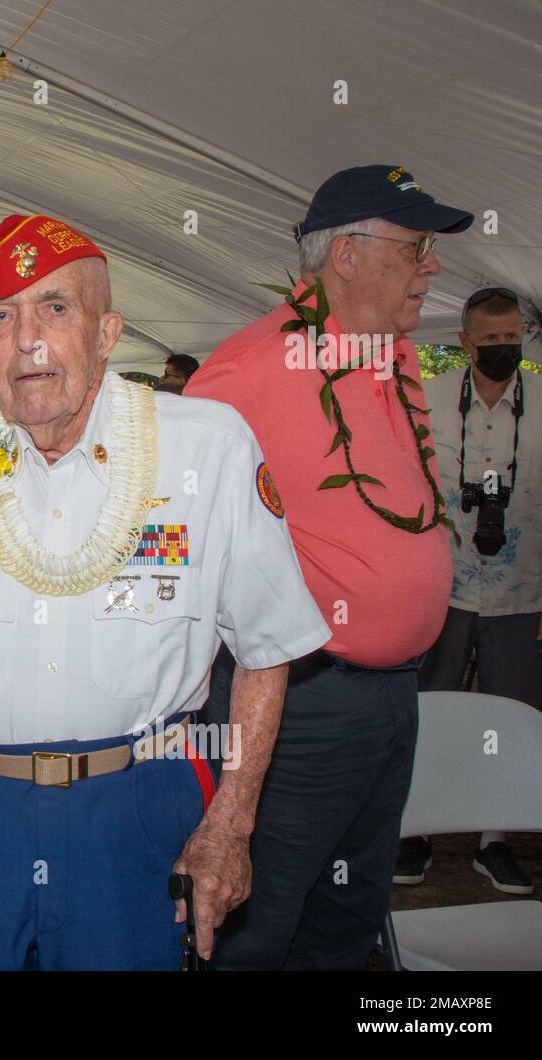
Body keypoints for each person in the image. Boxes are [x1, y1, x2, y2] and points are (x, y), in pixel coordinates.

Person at [0, 213, 329, 970]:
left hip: (135, 812)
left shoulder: (206, 448)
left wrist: (233, 821)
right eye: (1, 317)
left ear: (107, 331)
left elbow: (267, 648)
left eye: (55, 308)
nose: (29, 341)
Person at [185, 164, 473, 969]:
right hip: (301, 707)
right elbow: (180, 545)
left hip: (392, 699)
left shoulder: (400, 360)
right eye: (417, 246)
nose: (434, 265)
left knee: (347, 925)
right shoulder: (245, 374)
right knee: (257, 924)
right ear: (346, 256)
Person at [395, 287, 541, 895]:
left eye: (513, 340)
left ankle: (494, 841)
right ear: (465, 341)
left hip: (523, 594)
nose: (503, 349)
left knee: (511, 716)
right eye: (491, 340)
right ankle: (413, 831)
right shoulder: (425, 400)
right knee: (428, 709)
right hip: (442, 590)